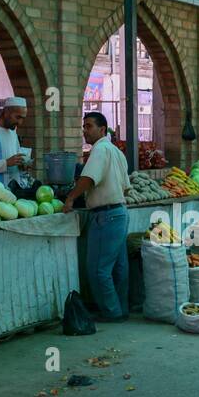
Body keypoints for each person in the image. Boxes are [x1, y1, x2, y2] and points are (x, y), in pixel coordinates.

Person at [63, 112, 130, 321]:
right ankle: (121, 309)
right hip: (119, 213)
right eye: (83, 126)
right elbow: (126, 187)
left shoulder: (100, 149)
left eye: (89, 126)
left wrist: (71, 198)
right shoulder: (116, 151)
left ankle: (111, 312)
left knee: (99, 270)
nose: (85, 130)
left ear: (102, 130)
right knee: (118, 268)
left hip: (106, 216)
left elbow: (88, 178)